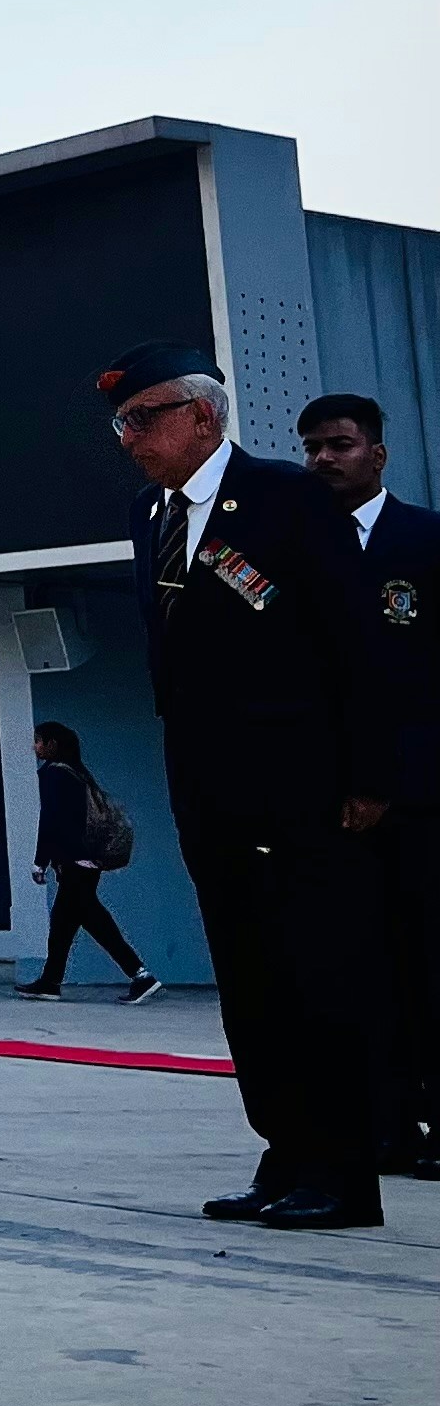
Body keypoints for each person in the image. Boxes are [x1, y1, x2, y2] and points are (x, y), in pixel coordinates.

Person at [99, 344, 391, 1230]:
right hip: (211, 788)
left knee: (316, 972)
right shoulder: (156, 516)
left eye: (145, 416)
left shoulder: (287, 497)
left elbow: (356, 642)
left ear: (204, 415)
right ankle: (286, 1150)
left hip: (299, 784)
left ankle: (344, 1173)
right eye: (122, 423)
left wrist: (369, 774)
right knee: (250, 978)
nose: (130, 436)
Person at [297, 390, 440, 1182]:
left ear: (377, 454)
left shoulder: (425, 540)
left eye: (340, 445)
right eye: (313, 447)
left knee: (429, 958)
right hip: (328, 801)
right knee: (356, 965)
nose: (324, 459)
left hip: (421, 796)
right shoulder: (294, 547)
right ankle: (383, 1123)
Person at [17, 720, 159, 1002]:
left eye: (39, 740)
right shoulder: (78, 774)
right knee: (64, 924)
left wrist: (39, 861)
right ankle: (50, 982)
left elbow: (50, 821)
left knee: (93, 920)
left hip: (74, 863)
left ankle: (140, 975)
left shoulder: (54, 775)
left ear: (52, 745)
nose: (35, 746)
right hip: (87, 861)